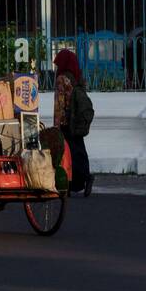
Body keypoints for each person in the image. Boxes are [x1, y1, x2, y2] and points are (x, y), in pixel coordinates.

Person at [52, 48, 94, 196]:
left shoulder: (61, 79)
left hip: (66, 123)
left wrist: (56, 127)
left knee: (67, 155)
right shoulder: (76, 77)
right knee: (79, 151)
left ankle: (69, 184)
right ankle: (87, 177)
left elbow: (60, 105)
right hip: (76, 122)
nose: (57, 67)